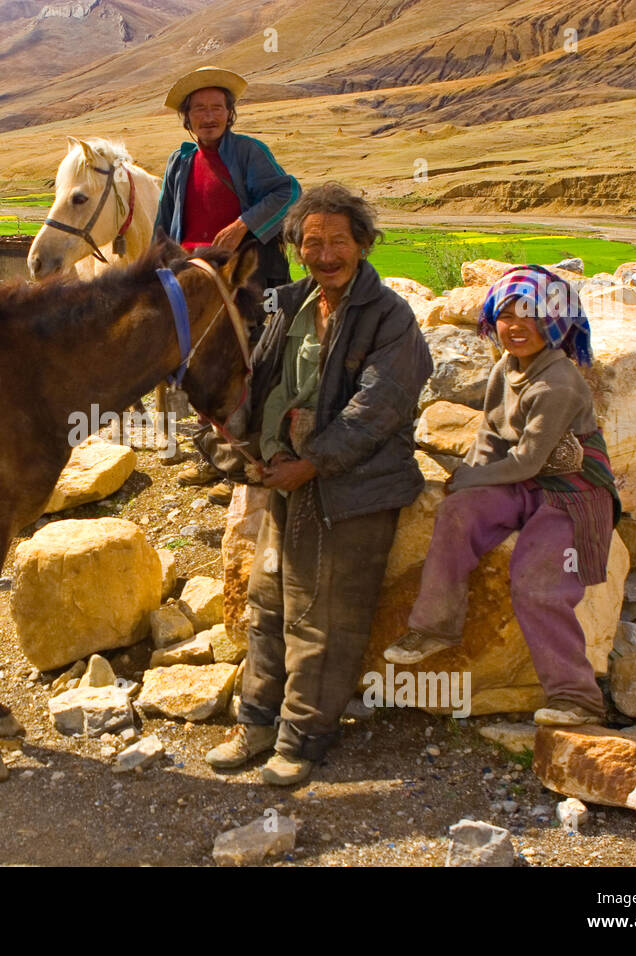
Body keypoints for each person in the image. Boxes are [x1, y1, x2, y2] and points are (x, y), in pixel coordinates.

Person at [204, 182, 432, 785]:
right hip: (287, 482)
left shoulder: (389, 317)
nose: (325, 254)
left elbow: (378, 408)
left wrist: (314, 462)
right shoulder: (286, 302)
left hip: (353, 491)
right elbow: (243, 376)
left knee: (323, 617)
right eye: (312, 243)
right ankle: (255, 722)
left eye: (338, 241)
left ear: (362, 243)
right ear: (296, 248)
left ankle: (302, 740)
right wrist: (234, 445)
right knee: (269, 601)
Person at [383, 266, 620, 726]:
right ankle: (434, 627)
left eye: (529, 315)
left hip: (570, 491)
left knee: (537, 580)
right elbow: (491, 436)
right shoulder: (504, 369)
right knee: (457, 513)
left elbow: (529, 460)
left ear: (555, 321)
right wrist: (468, 477)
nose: (514, 326)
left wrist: (472, 478)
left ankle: (577, 696)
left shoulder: (558, 382)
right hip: (521, 482)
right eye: (505, 315)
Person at [153, 65, 299, 501]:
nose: (209, 116)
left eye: (218, 108)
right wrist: (161, 268)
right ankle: (214, 459)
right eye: (200, 109)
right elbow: (163, 225)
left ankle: (261, 456)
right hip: (198, 283)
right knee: (202, 367)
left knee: (254, 362)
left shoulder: (249, 152)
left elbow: (287, 192)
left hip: (249, 276)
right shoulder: (179, 163)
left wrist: (243, 224)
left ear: (230, 114)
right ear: (188, 118)